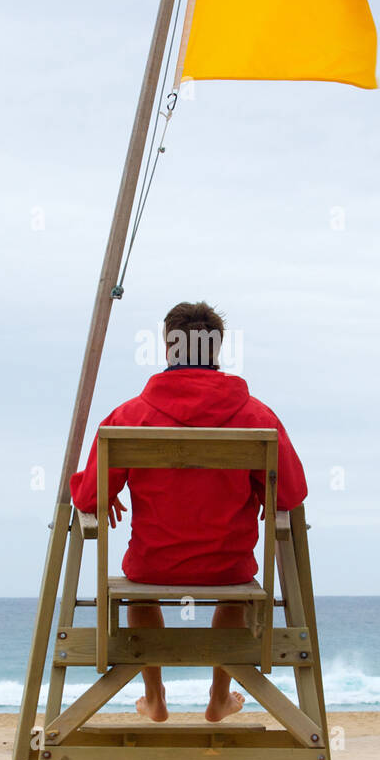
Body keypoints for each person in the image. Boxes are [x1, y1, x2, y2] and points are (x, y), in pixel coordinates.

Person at [70, 301, 308, 723]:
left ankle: (154, 695)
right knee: (236, 573)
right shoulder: (257, 417)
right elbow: (291, 495)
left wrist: (103, 495)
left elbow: (87, 500)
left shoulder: (129, 417)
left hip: (153, 566)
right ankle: (219, 696)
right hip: (228, 568)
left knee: (136, 575)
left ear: (168, 348)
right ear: (216, 350)